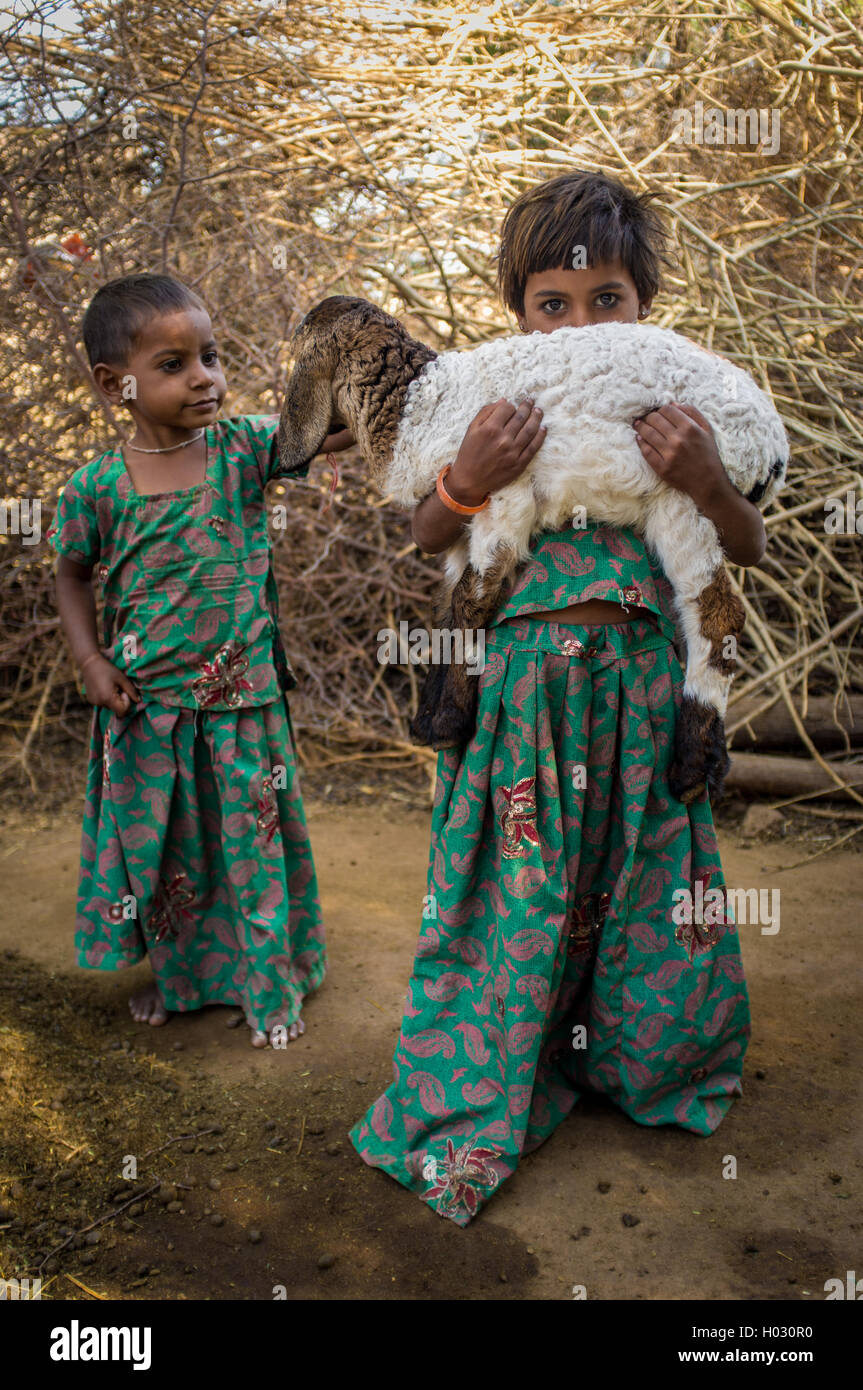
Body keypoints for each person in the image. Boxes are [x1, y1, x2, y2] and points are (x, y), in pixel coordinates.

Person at [349, 170, 767, 1224]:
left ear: (642, 305)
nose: (579, 321)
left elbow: (741, 544)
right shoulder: (488, 405)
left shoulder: (674, 403)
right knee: (515, 893)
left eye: (606, 299)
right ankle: (493, 1077)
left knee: (641, 890)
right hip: (524, 707)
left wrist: (707, 480)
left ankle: (637, 1062)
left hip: (639, 704)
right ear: (516, 310)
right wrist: (467, 477)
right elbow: (425, 538)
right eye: (552, 302)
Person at [48, 273, 324, 1047]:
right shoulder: (95, 488)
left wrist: (365, 376)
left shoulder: (244, 452)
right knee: (167, 855)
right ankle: (183, 979)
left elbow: (328, 430)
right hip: (149, 714)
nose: (204, 376)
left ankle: (270, 988)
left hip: (244, 711)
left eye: (209, 356)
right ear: (115, 385)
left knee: (252, 848)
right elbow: (70, 573)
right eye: (174, 364)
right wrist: (90, 659)